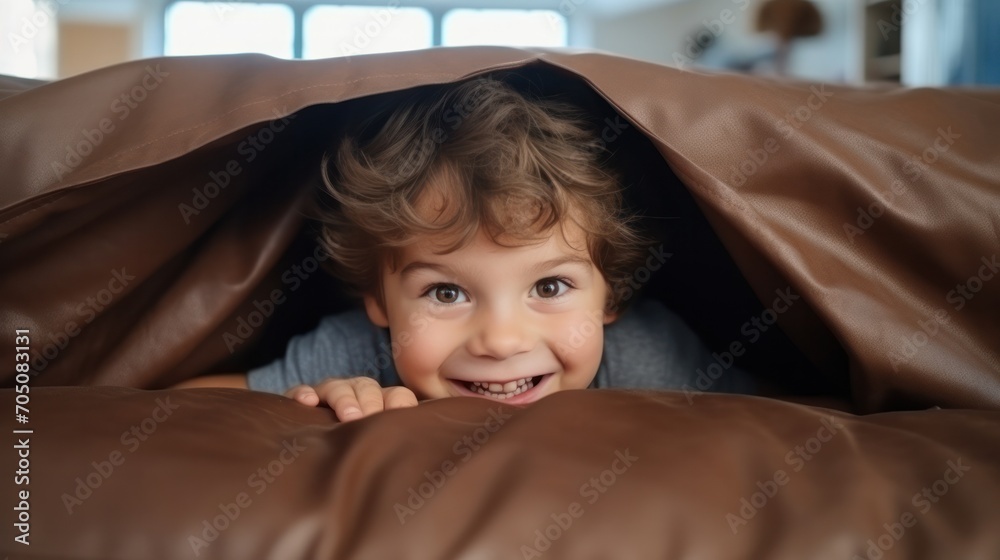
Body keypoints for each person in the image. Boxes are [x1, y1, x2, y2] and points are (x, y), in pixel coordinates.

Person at [175, 75, 757, 420]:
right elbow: (183, 407)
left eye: (550, 286)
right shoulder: (359, 354)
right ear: (378, 300)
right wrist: (313, 401)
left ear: (612, 293)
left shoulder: (645, 356)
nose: (502, 342)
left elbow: (790, 418)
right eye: (446, 291)